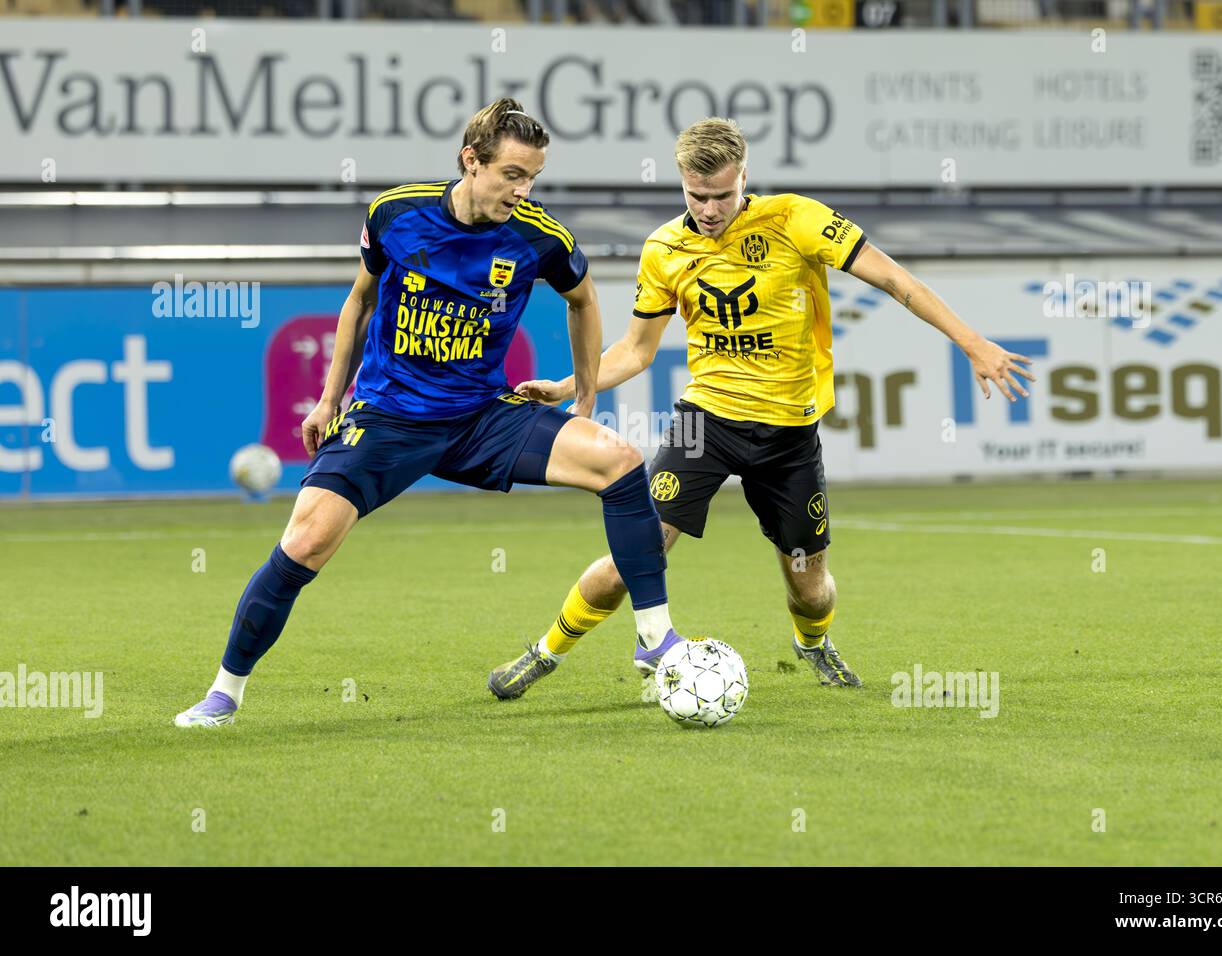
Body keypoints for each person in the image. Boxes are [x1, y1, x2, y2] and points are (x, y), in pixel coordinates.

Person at [175, 98, 682, 725]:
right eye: (513, 176)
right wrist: (331, 399)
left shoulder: (538, 238)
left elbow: (582, 300)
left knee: (619, 461)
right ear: (471, 161)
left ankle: (656, 637)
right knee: (304, 543)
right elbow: (359, 302)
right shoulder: (396, 213)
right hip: (386, 417)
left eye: (533, 179)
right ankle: (225, 692)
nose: (524, 192)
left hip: (481, 419)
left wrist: (583, 393)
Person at [502, 117, 1034, 692]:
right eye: (696, 196)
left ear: (744, 180)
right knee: (641, 543)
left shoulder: (795, 220)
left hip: (789, 433)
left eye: (722, 196)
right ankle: (545, 652)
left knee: (809, 582)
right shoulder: (664, 250)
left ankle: (813, 642)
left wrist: (972, 342)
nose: (708, 209)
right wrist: (564, 386)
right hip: (703, 420)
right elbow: (634, 350)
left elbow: (894, 280)